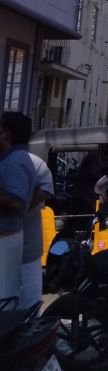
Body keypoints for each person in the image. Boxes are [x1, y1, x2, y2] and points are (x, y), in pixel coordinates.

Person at [0, 112, 37, 308]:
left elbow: (17, 202)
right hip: (8, 238)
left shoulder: (16, 161)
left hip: (6, 239)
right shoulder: (11, 159)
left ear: (6, 134)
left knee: (4, 298)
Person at [21, 150, 53, 310]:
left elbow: (46, 191)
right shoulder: (33, 162)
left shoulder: (34, 163)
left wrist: (22, 203)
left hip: (27, 250)